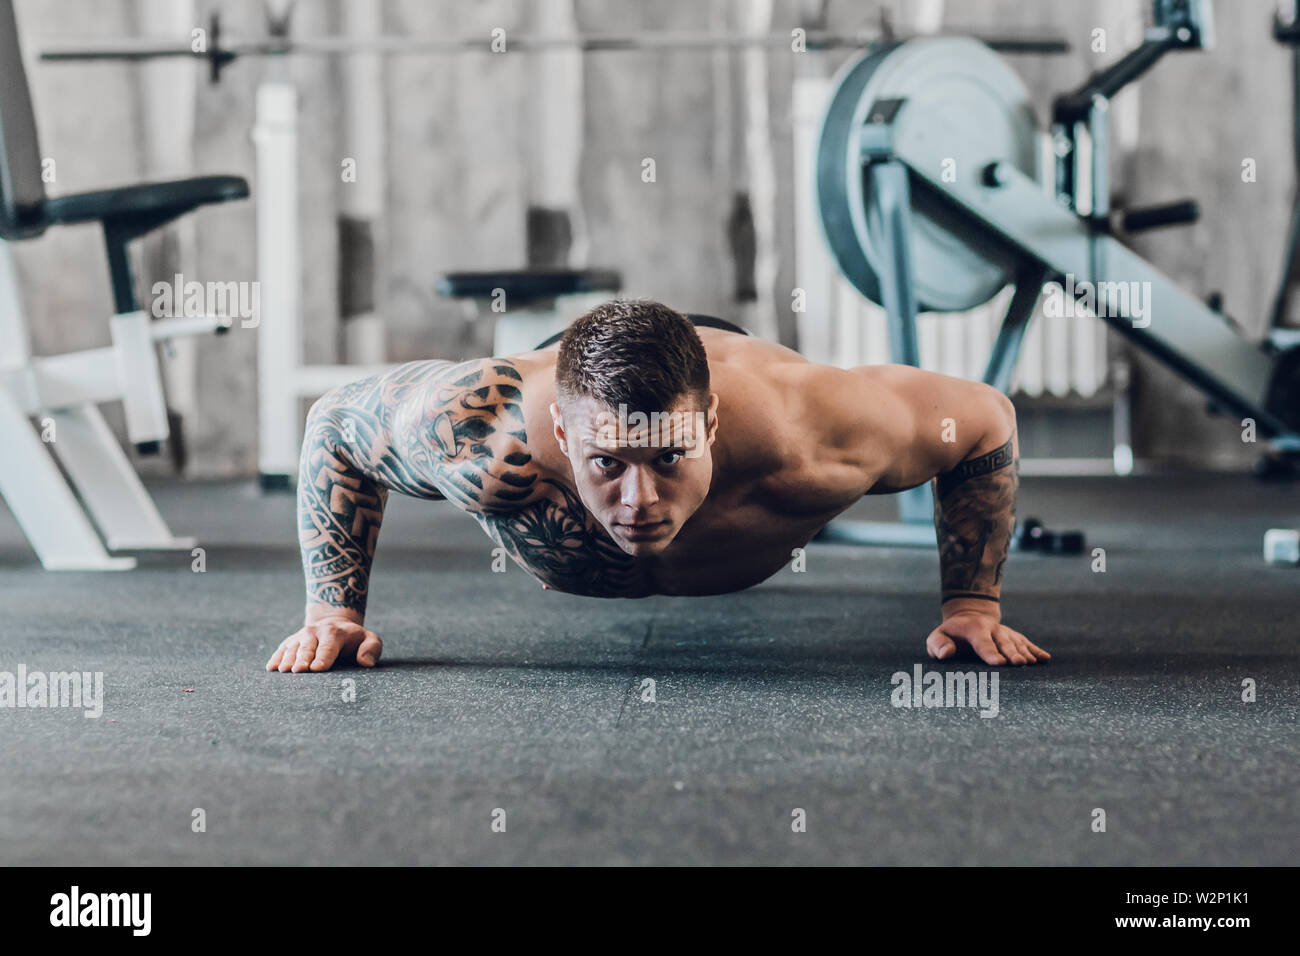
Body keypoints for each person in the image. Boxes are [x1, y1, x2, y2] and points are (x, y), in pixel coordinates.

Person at [267, 300, 1048, 673]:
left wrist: (971, 604)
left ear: (708, 429)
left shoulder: (817, 432)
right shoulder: (480, 431)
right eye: (608, 465)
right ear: (566, 440)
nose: (639, 500)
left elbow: (983, 421)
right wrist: (333, 611)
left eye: (668, 459)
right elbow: (336, 425)